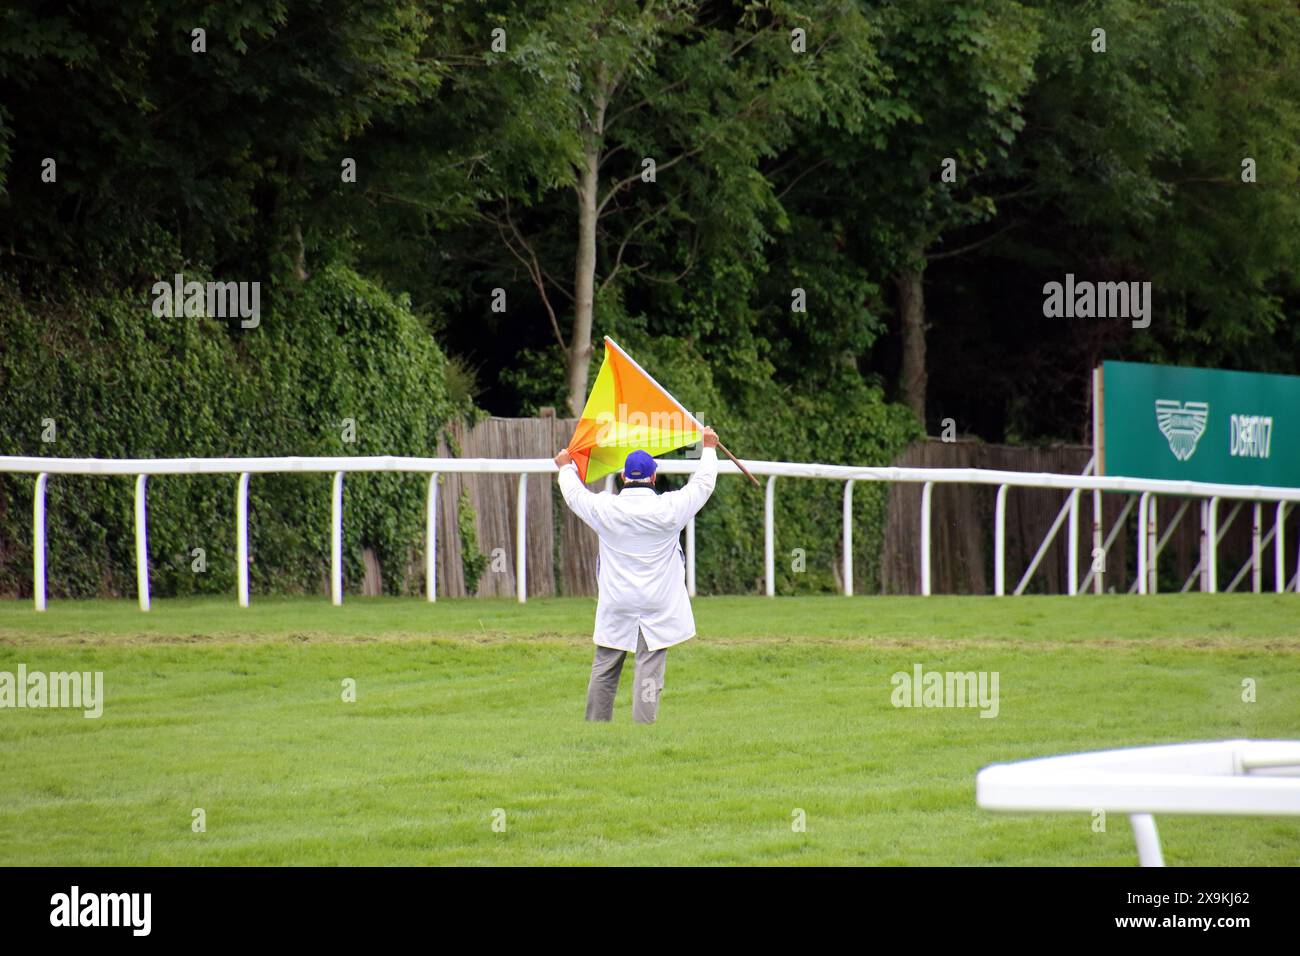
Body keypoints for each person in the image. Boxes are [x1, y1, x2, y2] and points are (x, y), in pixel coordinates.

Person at [554, 427, 720, 723]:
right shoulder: (670, 507)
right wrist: (707, 448)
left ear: (623, 478)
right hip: (657, 604)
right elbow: (702, 485)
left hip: (617, 602)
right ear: (654, 478)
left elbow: (574, 495)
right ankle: (643, 731)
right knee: (648, 673)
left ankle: (594, 728)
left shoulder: (605, 507)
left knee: (604, 668)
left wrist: (566, 466)